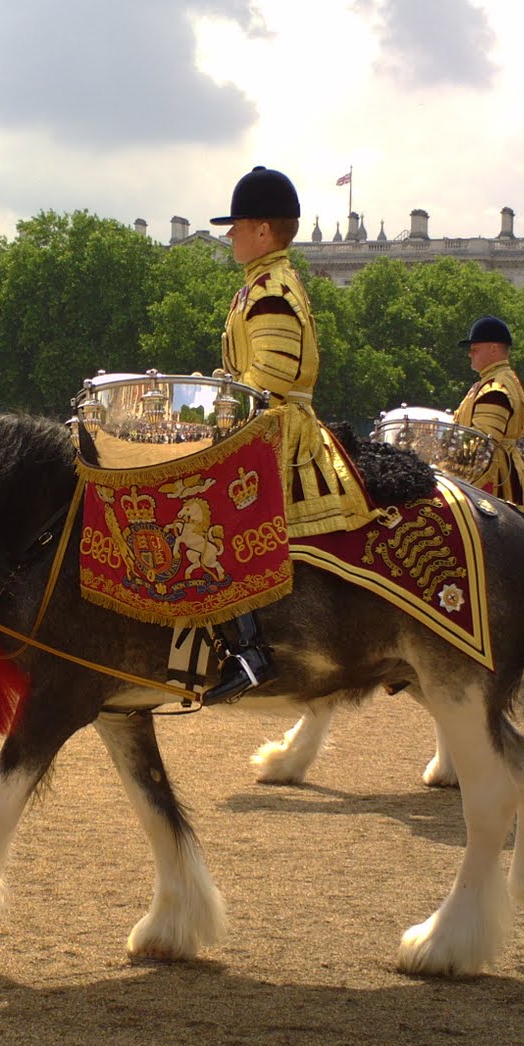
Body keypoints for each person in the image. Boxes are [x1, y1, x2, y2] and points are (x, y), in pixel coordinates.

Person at [204, 165, 371, 703]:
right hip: (262, 420)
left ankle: (251, 649)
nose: (230, 235)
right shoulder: (259, 285)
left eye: (236, 225)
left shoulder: (271, 291)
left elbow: (269, 381)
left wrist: (212, 408)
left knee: (211, 511)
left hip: (275, 429)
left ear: (261, 229)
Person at [455, 316, 524, 516]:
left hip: (496, 481)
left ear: (493, 349)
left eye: (475, 349)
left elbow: (482, 445)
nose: (470, 354)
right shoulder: (492, 381)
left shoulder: (495, 388)